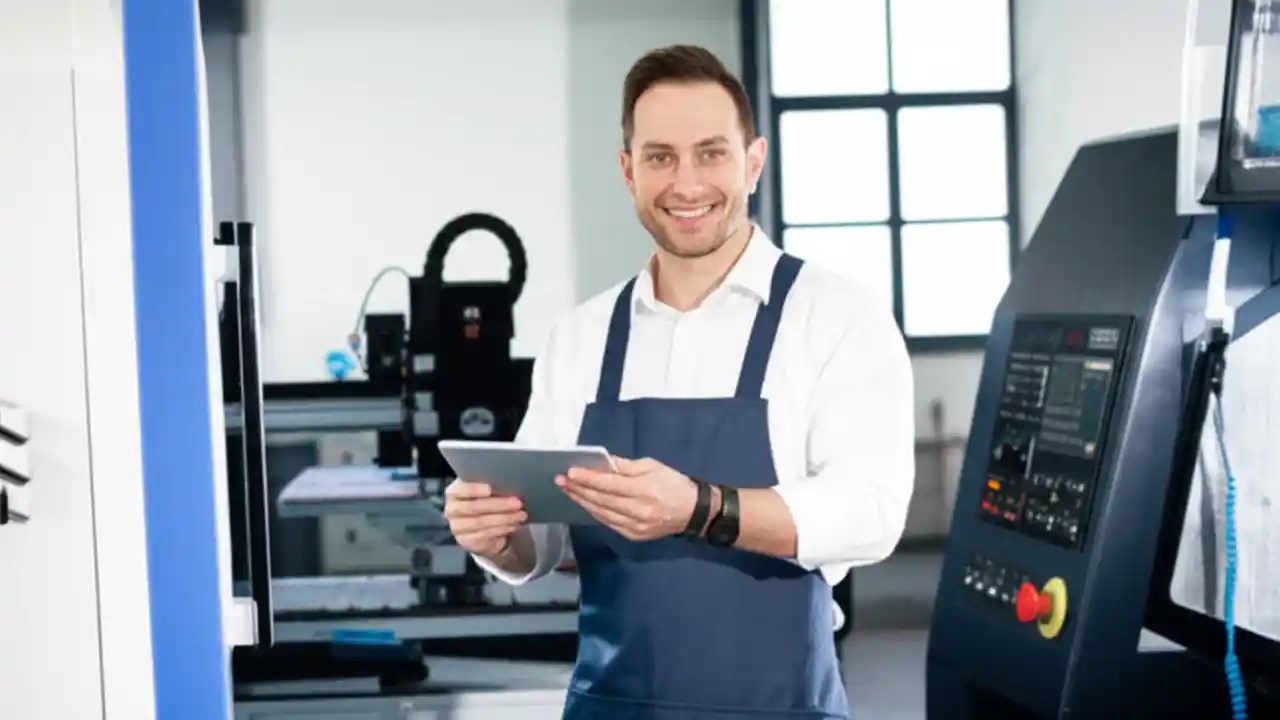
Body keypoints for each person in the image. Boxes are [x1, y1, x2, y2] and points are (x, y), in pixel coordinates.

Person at [442, 44, 914, 719]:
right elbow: (542, 540)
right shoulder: (578, 336)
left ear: (753, 160)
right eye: (660, 157)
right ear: (628, 170)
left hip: (777, 708)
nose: (686, 183)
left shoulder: (837, 316)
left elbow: (870, 515)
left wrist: (699, 507)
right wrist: (495, 534)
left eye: (711, 153)